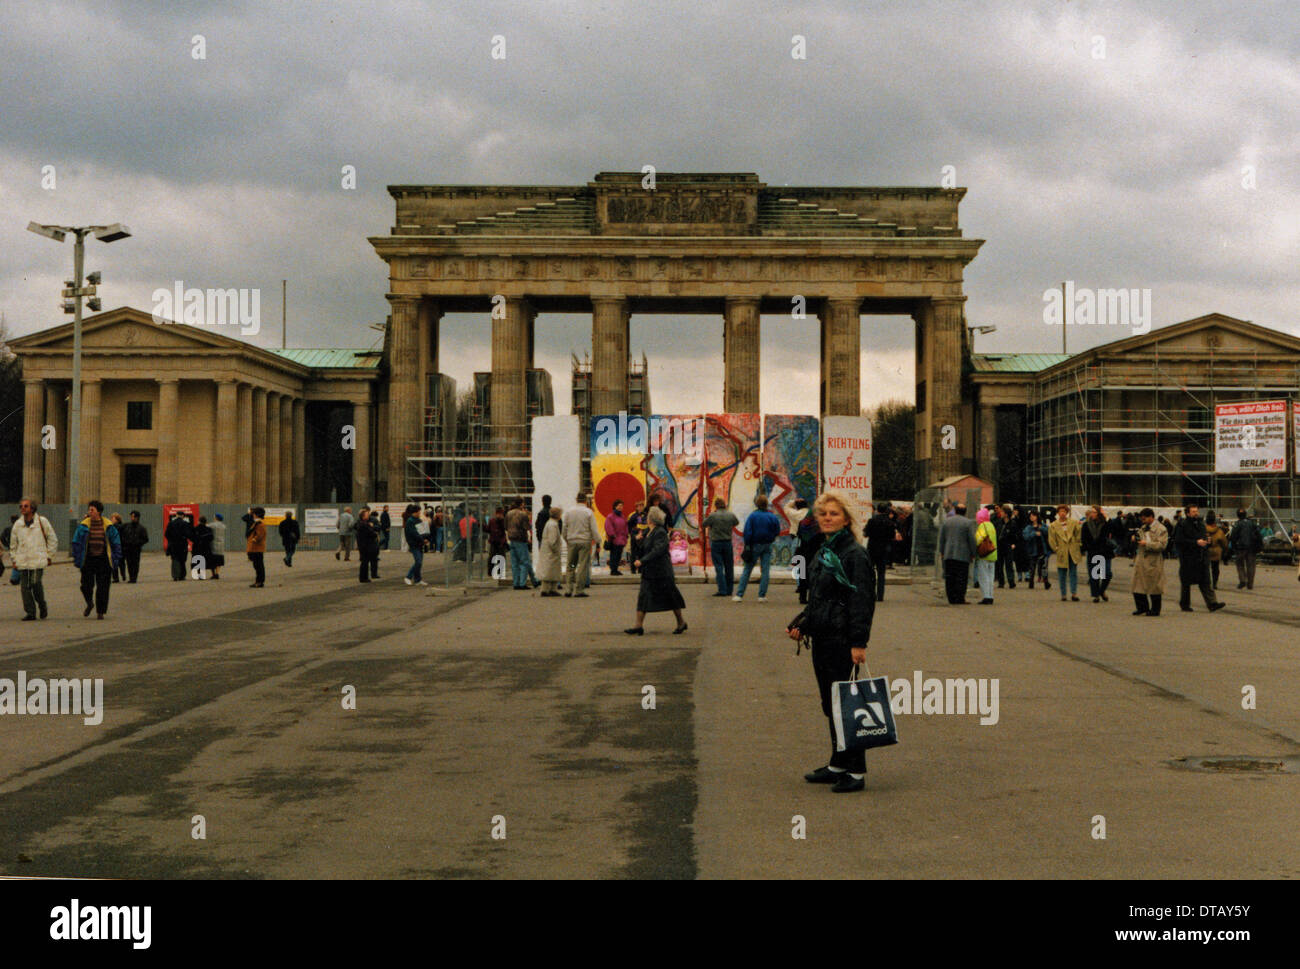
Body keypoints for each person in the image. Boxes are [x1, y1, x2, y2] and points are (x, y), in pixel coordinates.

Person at [785, 491, 875, 794]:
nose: (827, 518)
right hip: (823, 637)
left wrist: (858, 643)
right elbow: (821, 598)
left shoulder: (854, 554)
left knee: (847, 705)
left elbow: (861, 601)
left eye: (834, 514)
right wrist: (803, 623)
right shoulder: (825, 551)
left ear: (847, 519)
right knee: (830, 704)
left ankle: (856, 771)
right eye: (823, 513)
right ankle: (838, 763)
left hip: (842, 640)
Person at [625, 505, 687, 634]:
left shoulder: (660, 532)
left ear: (651, 519)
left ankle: (681, 622)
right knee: (643, 596)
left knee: (671, 596)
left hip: (662, 571)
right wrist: (638, 541)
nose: (646, 518)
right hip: (650, 571)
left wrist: (642, 561)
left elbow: (658, 550)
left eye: (648, 516)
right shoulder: (649, 532)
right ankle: (638, 626)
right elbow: (645, 549)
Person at [70, 500, 122, 620]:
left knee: (103, 586)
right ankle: (89, 602)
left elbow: (116, 542)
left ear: (98, 511)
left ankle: (100, 611)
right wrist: (77, 557)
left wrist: (116, 558)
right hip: (88, 559)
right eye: (89, 509)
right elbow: (76, 542)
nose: (89, 512)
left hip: (104, 559)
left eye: (92, 510)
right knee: (85, 585)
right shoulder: (83, 525)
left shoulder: (109, 526)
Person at [10, 499, 58, 621]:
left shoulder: (42, 522)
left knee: (35, 583)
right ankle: (30, 612)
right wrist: (14, 559)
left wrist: (49, 556)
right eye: (21, 506)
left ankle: (42, 605)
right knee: (25, 587)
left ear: (32, 508)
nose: (22, 508)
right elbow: (13, 544)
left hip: (38, 559)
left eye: (25, 506)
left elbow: (52, 539)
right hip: (23, 560)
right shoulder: (18, 524)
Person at [1172, 504, 1224, 613]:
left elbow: (1204, 536)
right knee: (1186, 582)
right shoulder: (1182, 525)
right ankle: (1185, 604)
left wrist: (1207, 541)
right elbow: (1179, 541)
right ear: (1188, 513)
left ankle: (1212, 603)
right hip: (1188, 558)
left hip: (1201, 556)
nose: (1196, 513)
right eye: (1193, 511)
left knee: (1205, 581)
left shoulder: (1201, 523)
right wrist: (1195, 542)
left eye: (1197, 511)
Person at [734, 494, 782, 601]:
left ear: (757, 504)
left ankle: (739, 594)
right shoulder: (772, 516)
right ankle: (762, 595)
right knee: (765, 571)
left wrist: (747, 545)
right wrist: (771, 538)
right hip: (767, 545)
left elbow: (747, 532)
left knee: (747, 569)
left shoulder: (753, 516)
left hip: (754, 544)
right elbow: (777, 530)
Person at [939, 503, 978, 604]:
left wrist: (942, 551)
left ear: (955, 510)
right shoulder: (968, 523)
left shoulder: (946, 521)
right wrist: (974, 553)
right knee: (961, 577)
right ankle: (960, 598)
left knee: (950, 577)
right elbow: (971, 539)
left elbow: (942, 538)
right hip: (963, 555)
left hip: (949, 553)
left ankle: (951, 598)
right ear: (965, 512)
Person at [1131, 508, 1167, 616]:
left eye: (1144, 518)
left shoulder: (1161, 529)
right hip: (1141, 559)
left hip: (1153, 560)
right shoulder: (1142, 528)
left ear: (1151, 517)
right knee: (1137, 584)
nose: (1143, 521)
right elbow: (1139, 538)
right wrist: (1134, 538)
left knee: (1154, 586)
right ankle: (1142, 607)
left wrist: (1146, 544)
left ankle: (1155, 609)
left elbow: (1162, 545)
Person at [702, 497, 740, 597]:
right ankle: (729, 590)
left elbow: (704, 524)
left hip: (716, 543)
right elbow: (736, 522)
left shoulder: (713, 515)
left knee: (719, 566)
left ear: (716, 505)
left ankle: (722, 589)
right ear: (724, 505)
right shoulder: (730, 515)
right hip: (727, 542)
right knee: (729, 567)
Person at [562, 494, 597, 597]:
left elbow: (564, 528)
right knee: (582, 565)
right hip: (584, 542)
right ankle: (579, 590)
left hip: (572, 542)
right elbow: (593, 528)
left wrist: (566, 539)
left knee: (571, 565)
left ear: (576, 500)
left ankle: (568, 589)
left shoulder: (569, 512)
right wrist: (597, 540)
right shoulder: (588, 512)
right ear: (585, 500)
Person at [1048, 505, 1082, 602]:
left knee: (1073, 573)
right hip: (1062, 551)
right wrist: (1056, 548)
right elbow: (1051, 539)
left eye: (1064, 511)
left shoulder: (1074, 523)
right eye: (1060, 511)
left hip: (1072, 551)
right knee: (1062, 574)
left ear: (1067, 512)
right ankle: (1063, 594)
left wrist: (1077, 544)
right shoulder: (1053, 525)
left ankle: (1074, 593)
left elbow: (1078, 534)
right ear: (1058, 513)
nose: (1062, 513)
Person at [1081, 505, 1114, 603]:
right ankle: (1096, 595)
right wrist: (1088, 548)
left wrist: (1106, 517)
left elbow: (1112, 529)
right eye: (1091, 512)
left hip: (1104, 551)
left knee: (1107, 574)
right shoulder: (1086, 525)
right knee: (1094, 575)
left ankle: (1102, 590)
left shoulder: (1105, 523)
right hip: (1093, 552)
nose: (1092, 514)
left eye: (1094, 512)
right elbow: (1084, 539)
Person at [864, 501, 895, 602]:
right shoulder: (890, 522)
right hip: (884, 549)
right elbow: (892, 536)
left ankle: (871, 593)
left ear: (877, 510)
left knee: (871, 572)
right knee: (881, 573)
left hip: (872, 548)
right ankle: (880, 596)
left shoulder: (872, 520)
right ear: (886, 510)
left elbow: (865, 534)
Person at [505, 497, 538, 590]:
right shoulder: (523, 515)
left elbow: (506, 526)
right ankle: (522, 583)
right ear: (522, 504)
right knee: (524, 562)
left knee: (514, 563)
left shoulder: (508, 513)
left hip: (511, 539)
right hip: (521, 539)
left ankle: (516, 583)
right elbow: (527, 527)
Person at [795, 498, 822, 604]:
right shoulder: (819, 527)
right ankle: (813, 596)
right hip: (815, 552)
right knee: (814, 574)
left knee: (803, 574)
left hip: (803, 551)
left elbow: (799, 535)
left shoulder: (803, 524)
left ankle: (802, 597)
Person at [1229, 508, 1262, 590]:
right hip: (1252, 547)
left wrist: (1233, 547)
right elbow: (1259, 535)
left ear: (1238, 516)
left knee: (1240, 564)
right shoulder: (1252, 523)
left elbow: (1233, 537)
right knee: (1251, 566)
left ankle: (1242, 579)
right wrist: (1259, 546)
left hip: (1240, 548)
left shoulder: (1237, 524)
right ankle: (1250, 583)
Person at [537, 506, 564, 596]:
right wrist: (556, 550)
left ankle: (551, 589)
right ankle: (547, 589)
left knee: (549, 570)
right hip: (552, 552)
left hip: (548, 551)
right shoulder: (553, 525)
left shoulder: (549, 523)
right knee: (549, 571)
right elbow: (552, 540)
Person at [973, 507, 998, 605]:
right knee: (991, 576)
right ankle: (991, 596)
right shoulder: (991, 525)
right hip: (993, 553)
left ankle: (986, 596)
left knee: (983, 576)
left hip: (984, 554)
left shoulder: (982, 525)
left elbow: (979, 539)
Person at [1021, 510, 1050, 590]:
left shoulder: (1042, 525)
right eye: (1031, 516)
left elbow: (1048, 532)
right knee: (1032, 567)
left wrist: (1041, 529)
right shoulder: (1028, 527)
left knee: (1043, 567)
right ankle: (1031, 582)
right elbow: (1025, 537)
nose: (1032, 517)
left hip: (1042, 549)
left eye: (1033, 516)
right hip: (1032, 549)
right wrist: (1034, 534)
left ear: (1037, 516)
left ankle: (1046, 581)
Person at [117, 510, 149, 583]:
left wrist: (138, 543)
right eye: (131, 516)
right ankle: (131, 577)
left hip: (136, 549)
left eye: (133, 516)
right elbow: (119, 531)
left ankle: (134, 577)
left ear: (137, 518)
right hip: (127, 548)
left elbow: (145, 539)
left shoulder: (141, 528)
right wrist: (123, 541)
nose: (132, 518)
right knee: (129, 563)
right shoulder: (126, 526)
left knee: (135, 563)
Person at [402, 504, 428, 586]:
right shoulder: (410, 521)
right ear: (415, 512)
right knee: (418, 561)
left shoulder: (418, 520)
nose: (420, 513)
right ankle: (408, 577)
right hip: (414, 544)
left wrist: (426, 538)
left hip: (420, 543)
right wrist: (422, 539)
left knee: (419, 562)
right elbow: (414, 533)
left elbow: (422, 531)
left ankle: (418, 579)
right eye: (419, 512)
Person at [994, 504, 1017, 589]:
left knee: (1009, 564)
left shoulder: (1012, 523)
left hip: (1008, 545)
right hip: (999, 545)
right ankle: (1001, 582)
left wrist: (1013, 544)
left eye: (1002, 512)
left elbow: (1015, 535)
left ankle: (1011, 581)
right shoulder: (999, 522)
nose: (1001, 513)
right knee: (999, 565)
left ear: (1006, 514)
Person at [604, 499, 629, 576]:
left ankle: (616, 569)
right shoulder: (610, 516)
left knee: (618, 555)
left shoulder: (622, 517)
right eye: (619, 505)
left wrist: (626, 535)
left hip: (621, 539)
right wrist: (613, 535)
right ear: (615, 506)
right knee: (614, 555)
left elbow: (625, 527)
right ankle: (613, 570)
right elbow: (608, 526)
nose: (621, 507)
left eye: (622, 506)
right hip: (614, 540)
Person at [1204, 511, 1228, 590]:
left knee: (1206, 568)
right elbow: (1224, 542)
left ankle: (1207, 582)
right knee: (1215, 568)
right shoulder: (1219, 531)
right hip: (1216, 551)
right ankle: (1214, 583)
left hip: (1206, 551)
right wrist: (1225, 550)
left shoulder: (1203, 530)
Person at [244, 507, 267, 587]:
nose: (252, 515)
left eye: (253, 514)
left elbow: (260, 534)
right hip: (254, 548)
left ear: (257, 515)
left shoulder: (260, 524)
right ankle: (258, 581)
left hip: (257, 547)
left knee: (259, 565)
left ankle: (260, 582)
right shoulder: (256, 523)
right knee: (256, 565)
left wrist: (254, 539)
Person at [355, 507, 380, 582]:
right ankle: (363, 578)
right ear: (363, 516)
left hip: (364, 545)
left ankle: (364, 577)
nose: (368, 516)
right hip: (366, 546)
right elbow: (371, 533)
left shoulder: (361, 523)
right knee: (365, 562)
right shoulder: (364, 524)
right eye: (366, 515)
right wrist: (373, 531)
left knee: (365, 561)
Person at [626, 500, 647, 575]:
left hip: (643, 537)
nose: (641, 507)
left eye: (642, 506)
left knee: (642, 553)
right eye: (639, 506)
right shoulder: (633, 516)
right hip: (635, 537)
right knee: (634, 554)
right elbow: (629, 526)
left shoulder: (646, 515)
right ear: (636, 507)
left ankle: (641, 569)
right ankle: (633, 569)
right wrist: (633, 535)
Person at [109, 514, 127, 583]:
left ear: (117, 519)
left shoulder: (119, 527)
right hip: (114, 546)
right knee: (115, 562)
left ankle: (120, 575)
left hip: (119, 546)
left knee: (119, 562)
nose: (111, 520)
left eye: (113, 518)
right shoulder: (111, 527)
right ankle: (117, 576)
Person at [210, 513, 227, 579]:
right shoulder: (223, 526)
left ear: (216, 518)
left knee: (213, 560)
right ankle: (217, 573)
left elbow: (206, 526)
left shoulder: (212, 525)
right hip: (221, 544)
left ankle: (213, 573)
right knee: (219, 561)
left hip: (213, 544)